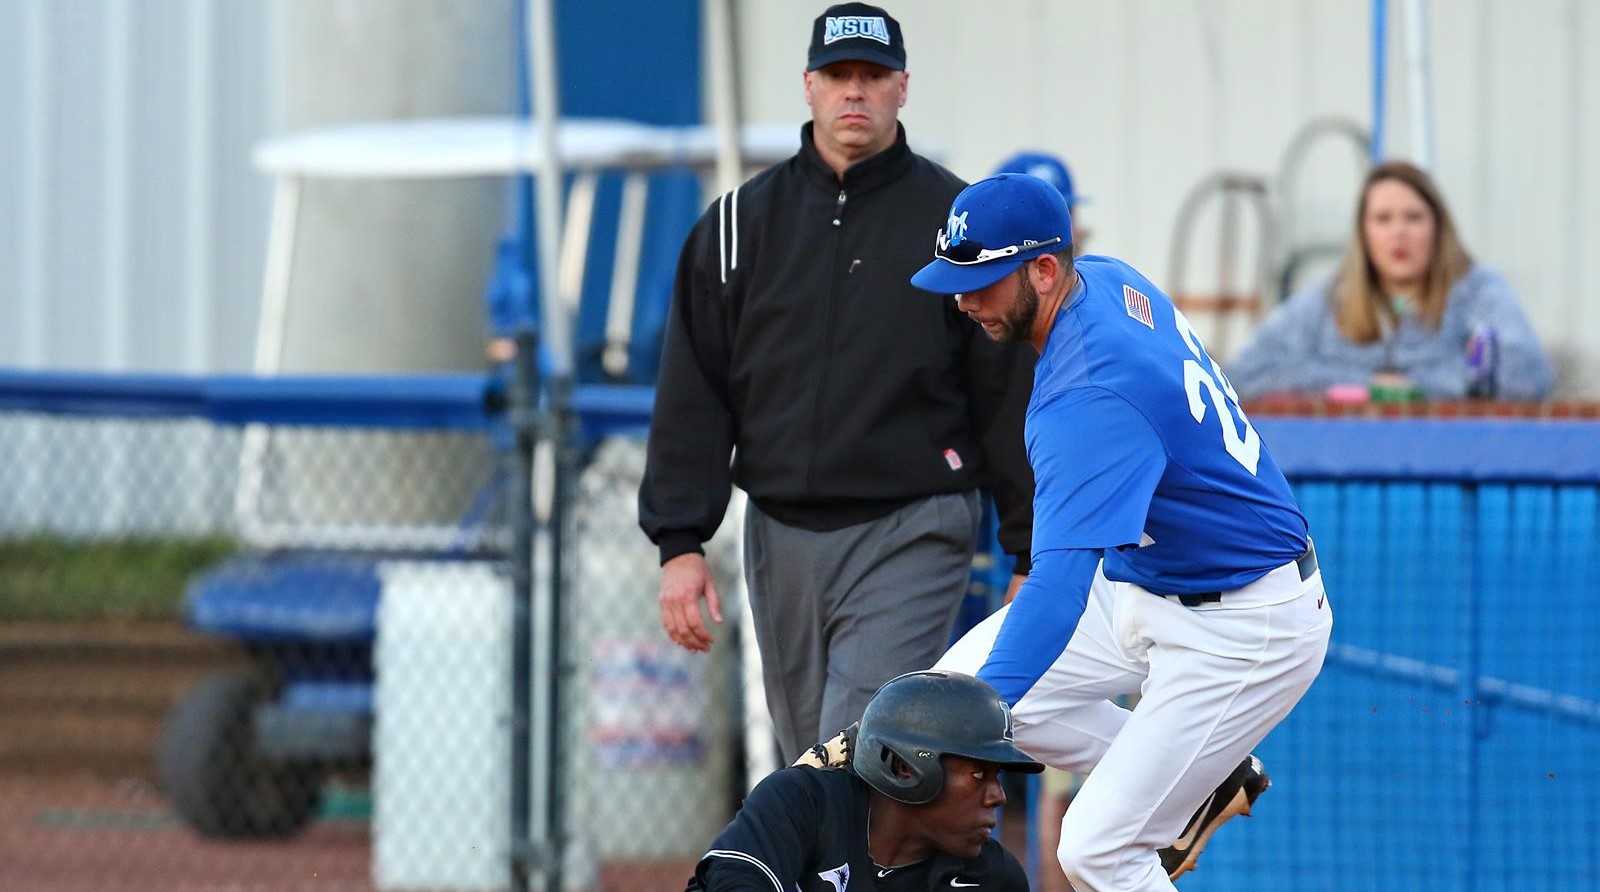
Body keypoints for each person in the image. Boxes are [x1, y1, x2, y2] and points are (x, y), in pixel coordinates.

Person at [909, 173, 1333, 891]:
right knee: (962, 691)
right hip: (1152, 575)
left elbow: (1055, 597)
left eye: (981, 280)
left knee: (1095, 850)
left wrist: (958, 735)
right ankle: (1201, 781)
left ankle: (1187, 782)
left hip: (1245, 623)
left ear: (1044, 270)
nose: (963, 300)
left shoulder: (1086, 394)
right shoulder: (1103, 277)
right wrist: (964, 713)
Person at [639, 3, 1033, 763]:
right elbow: (694, 392)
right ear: (809, 85)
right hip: (779, 532)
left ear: (902, 88)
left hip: (912, 524)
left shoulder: (956, 225)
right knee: (808, 765)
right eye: (839, 74)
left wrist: (1029, 551)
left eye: (874, 76)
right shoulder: (735, 225)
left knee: (853, 750)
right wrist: (679, 543)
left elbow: (1006, 390)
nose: (856, 91)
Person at [1228, 160, 1555, 401]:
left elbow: (1525, 377)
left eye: (1413, 217)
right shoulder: (1328, 298)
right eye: (1383, 219)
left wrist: (1416, 389)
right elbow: (1246, 372)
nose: (1399, 232)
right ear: (1363, 233)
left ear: (1438, 227)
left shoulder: (1478, 290)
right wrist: (1369, 386)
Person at [686, 670, 1040, 891]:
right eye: (978, 774)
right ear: (904, 767)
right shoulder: (805, 802)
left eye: (997, 776)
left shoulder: (992, 877)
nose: (998, 796)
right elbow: (733, 881)